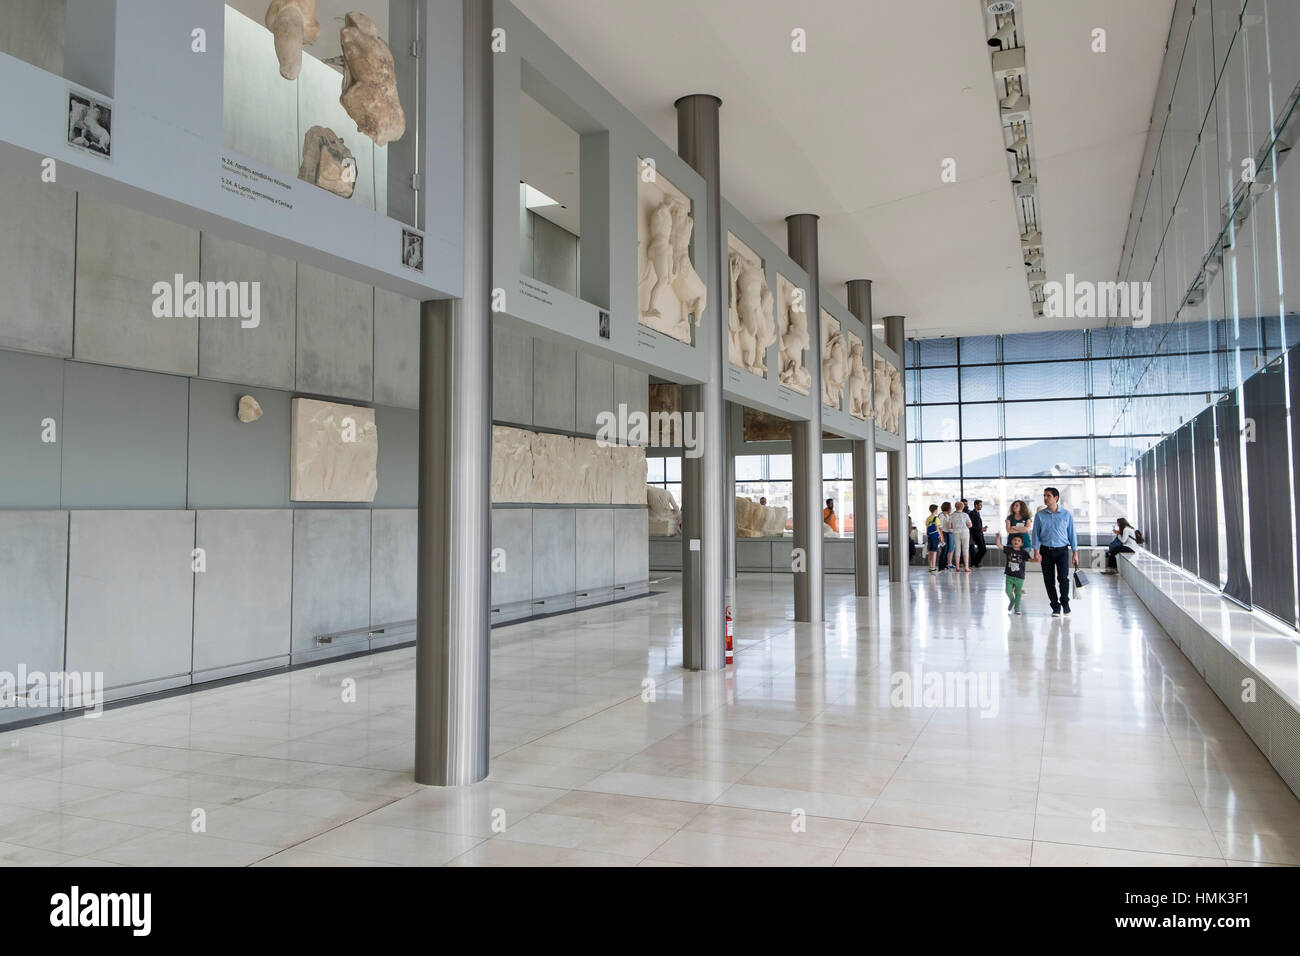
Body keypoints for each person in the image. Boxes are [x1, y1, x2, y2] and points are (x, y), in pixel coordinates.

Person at [1032, 486, 1078, 617]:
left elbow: (1072, 534)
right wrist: (1036, 552)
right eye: (1044, 496)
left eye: (1048, 496)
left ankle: (1065, 602)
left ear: (1056, 498)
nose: (1045, 498)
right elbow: (1035, 534)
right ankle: (1055, 606)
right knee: (1048, 580)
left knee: (1063, 579)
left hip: (1062, 551)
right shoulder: (1039, 515)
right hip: (1045, 551)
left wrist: (1075, 553)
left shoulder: (1066, 514)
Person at [1004, 533, 1030, 615]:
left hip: (1020, 577)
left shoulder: (1023, 552)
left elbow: (1029, 559)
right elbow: (1000, 546)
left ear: (1021, 544)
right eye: (1015, 540)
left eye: (1019, 541)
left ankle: (1017, 608)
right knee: (1008, 590)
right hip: (1009, 575)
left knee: (1018, 593)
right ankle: (1012, 600)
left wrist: (1036, 559)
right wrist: (997, 538)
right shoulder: (1009, 550)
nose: (1016, 542)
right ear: (1012, 541)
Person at [951, 501, 972, 572]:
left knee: (957, 549)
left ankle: (957, 567)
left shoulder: (952, 515)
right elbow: (970, 525)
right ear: (963, 507)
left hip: (956, 533)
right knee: (965, 549)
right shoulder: (965, 515)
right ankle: (966, 567)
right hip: (965, 532)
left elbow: (950, 526)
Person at [970, 499, 988, 568]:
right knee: (982, 549)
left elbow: (977, 525)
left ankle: (974, 562)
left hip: (980, 533)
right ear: (976, 505)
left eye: (981, 505)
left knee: (984, 549)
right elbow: (971, 526)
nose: (981, 506)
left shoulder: (977, 513)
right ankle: (974, 563)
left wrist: (982, 528)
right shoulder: (972, 513)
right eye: (980, 505)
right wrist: (980, 529)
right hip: (976, 534)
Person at [925, 504, 942, 572]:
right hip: (935, 536)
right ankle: (934, 567)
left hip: (929, 536)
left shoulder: (928, 518)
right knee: (934, 552)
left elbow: (927, 527)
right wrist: (940, 536)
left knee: (930, 552)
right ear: (935, 510)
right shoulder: (936, 518)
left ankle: (930, 567)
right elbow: (938, 528)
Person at [938, 501, 954, 571]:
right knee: (944, 550)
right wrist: (941, 537)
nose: (951, 509)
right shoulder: (941, 515)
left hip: (947, 533)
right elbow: (939, 527)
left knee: (947, 550)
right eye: (950, 507)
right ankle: (941, 566)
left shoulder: (947, 515)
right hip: (943, 533)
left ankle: (944, 565)